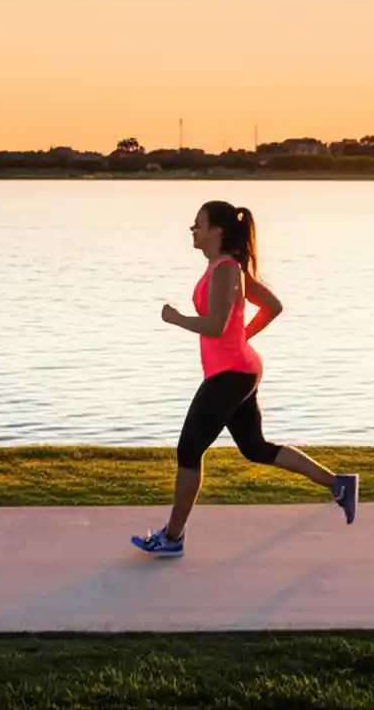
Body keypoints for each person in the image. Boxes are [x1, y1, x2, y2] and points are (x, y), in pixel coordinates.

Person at [131, 200, 358, 557]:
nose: (193, 230)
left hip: (231, 374)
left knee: (189, 450)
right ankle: (339, 484)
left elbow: (216, 326)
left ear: (216, 231)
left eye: (198, 224)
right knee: (254, 448)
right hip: (240, 369)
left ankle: (172, 538)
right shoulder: (228, 268)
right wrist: (243, 337)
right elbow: (272, 307)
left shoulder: (225, 271)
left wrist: (176, 318)